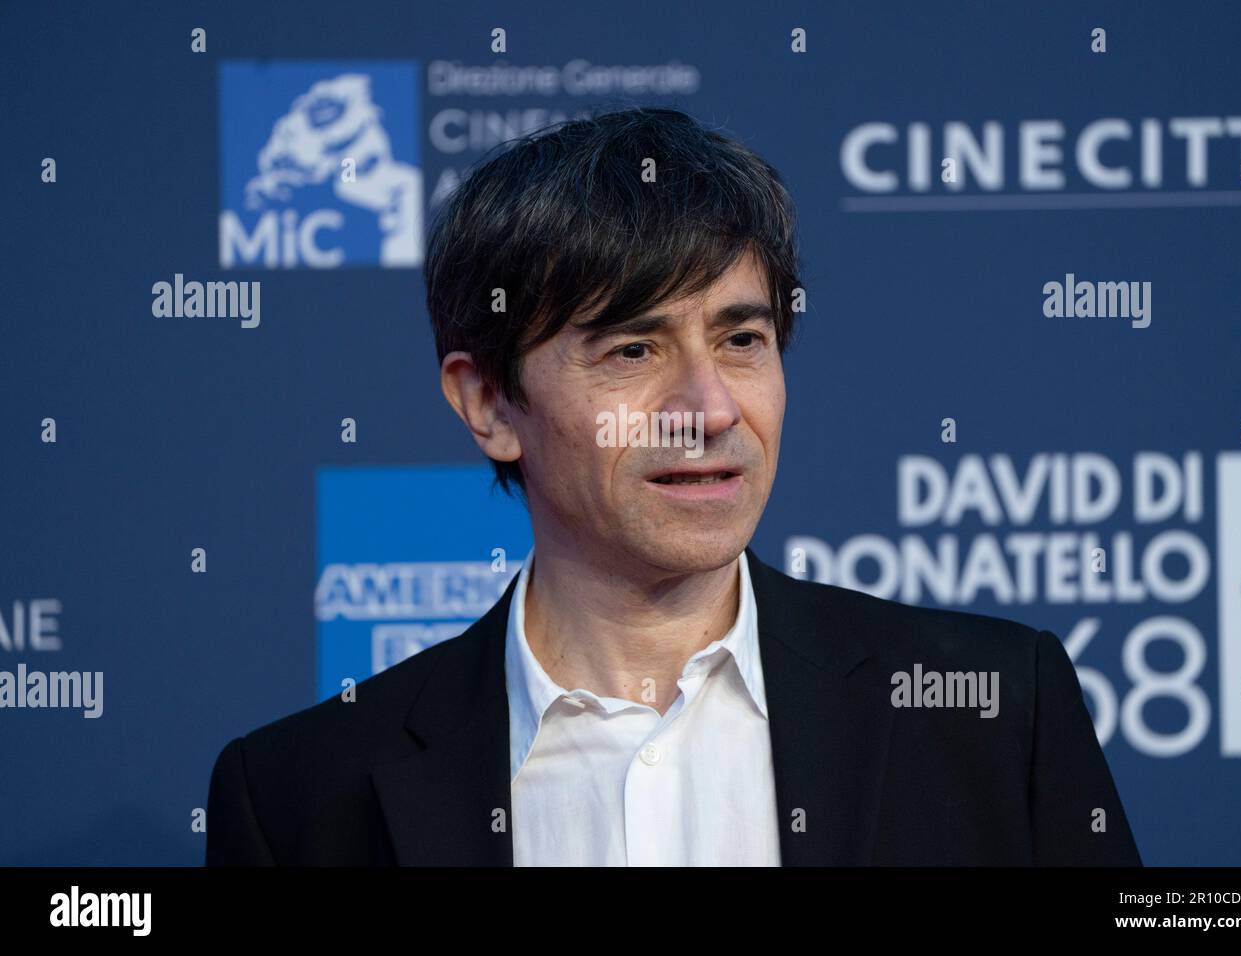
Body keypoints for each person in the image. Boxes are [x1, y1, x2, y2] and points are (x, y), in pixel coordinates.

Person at [206, 106, 1141, 866]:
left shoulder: (990, 712)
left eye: (742, 340)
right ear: (489, 403)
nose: (710, 407)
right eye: (633, 349)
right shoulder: (303, 797)